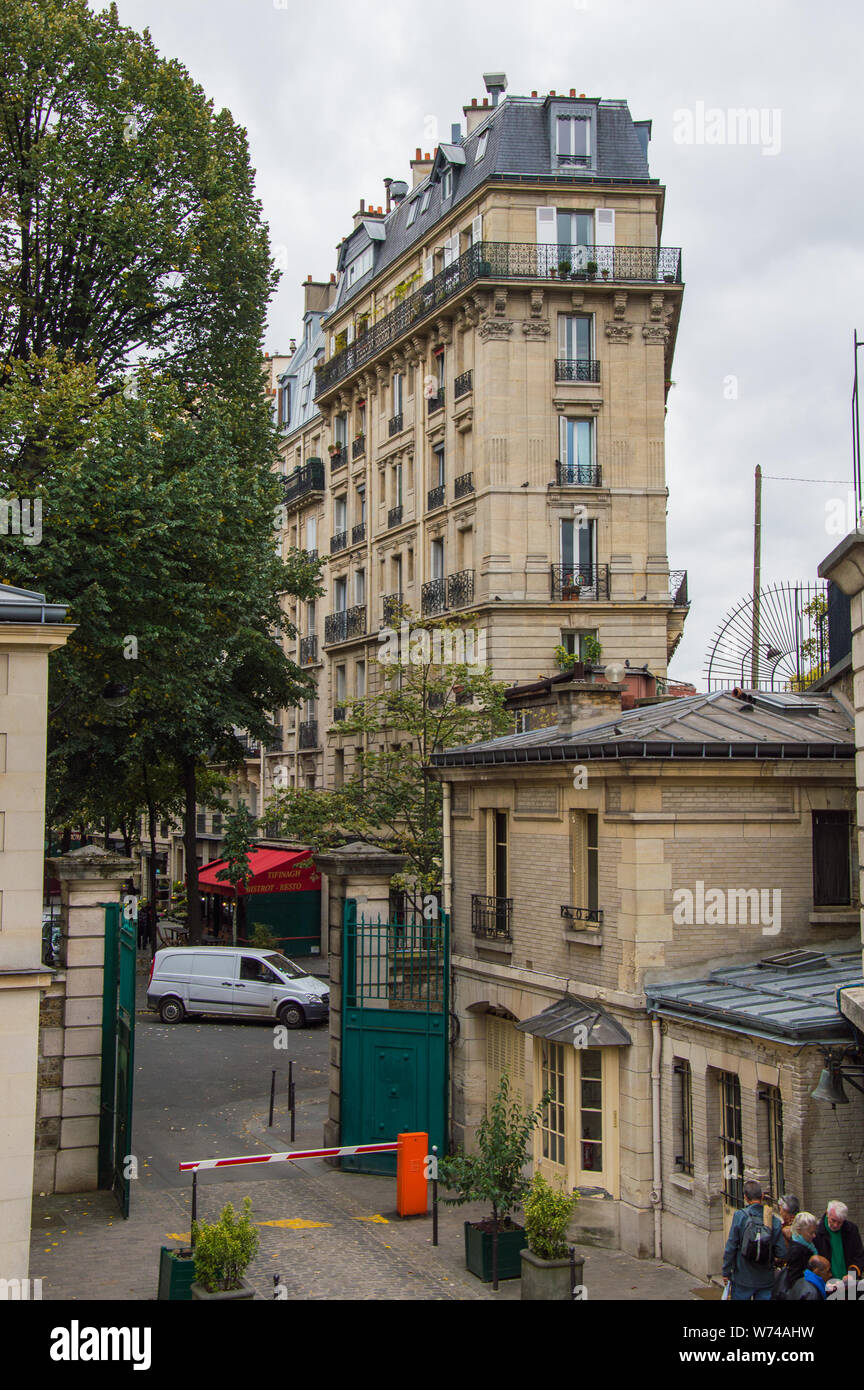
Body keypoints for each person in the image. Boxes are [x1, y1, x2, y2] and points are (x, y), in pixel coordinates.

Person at [723, 1179, 783, 1301]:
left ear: (745, 1197)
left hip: (743, 1277)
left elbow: (731, 1246)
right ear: (761, 1196)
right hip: (765, 1279)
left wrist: (726, 1271)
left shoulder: (740, 1216)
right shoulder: (773, 1220)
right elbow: (781, 1252)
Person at [813, 1200, 864, 1283]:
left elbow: (859, 1256)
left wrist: (852, 1274)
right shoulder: (816, 1232)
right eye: (833, 1220)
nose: (836, 1225)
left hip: (850, 1283)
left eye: (840, 1222)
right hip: (827, 1283)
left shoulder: (851, 1230)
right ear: (827, 1214)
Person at [773, 1211, 818, 1300]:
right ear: (799, 1231)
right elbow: (795, 1281)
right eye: (810, 1233)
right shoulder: (797, 1251)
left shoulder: (806, 1245)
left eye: (814, 1232)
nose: (814, 1236)